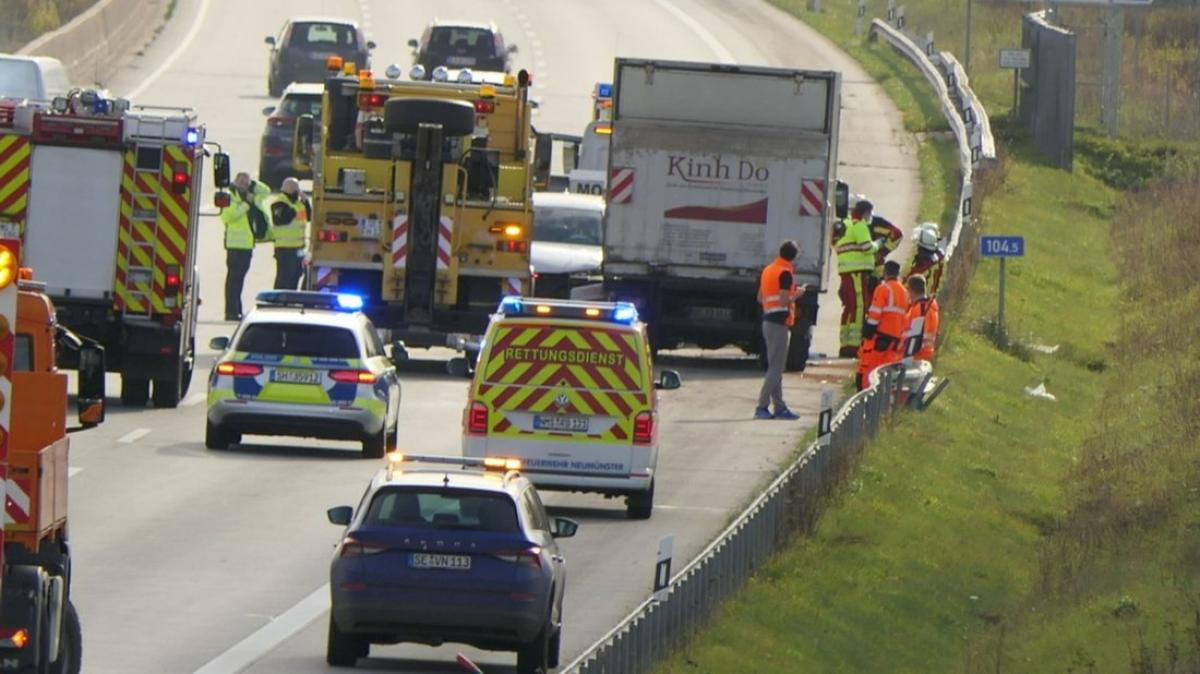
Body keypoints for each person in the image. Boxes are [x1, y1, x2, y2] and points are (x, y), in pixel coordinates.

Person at [754, 240, 806, 420]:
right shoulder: (785, 272)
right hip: (778, 323)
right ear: (794, 256)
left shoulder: (769, 269)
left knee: (775, 366)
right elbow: (784, 300)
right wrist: (797, 294)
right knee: (776, 369)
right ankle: (762, 406)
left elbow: (761, 298)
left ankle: (779, 407)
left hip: (767, 320)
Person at [220, 172, 270, 320]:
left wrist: (252, 184)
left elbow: (266, 190)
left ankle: (237, 309)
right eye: (241, 182)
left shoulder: (251, 194)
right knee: (233, 280)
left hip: (247, 245)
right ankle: (230, 312)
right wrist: (246, 204)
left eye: (246, 183)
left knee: (239, 280)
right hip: (235, 246)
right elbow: (228, 216)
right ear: (235, 182)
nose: (244, 185)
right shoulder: (229, 195)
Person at [834, 200, 880, 358]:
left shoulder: (847, 224)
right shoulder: (860, 226)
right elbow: (867, 247)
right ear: (865, 213)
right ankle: (854, 346)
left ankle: (845, 344)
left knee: (849, 307)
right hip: (857, 272)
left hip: (847, 270)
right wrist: (878, 245)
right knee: (860, 306)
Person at [857, 260, 909, 390]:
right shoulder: (904, 292)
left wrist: (867, 331)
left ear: (885, 273)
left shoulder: (883, 289)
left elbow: (875, 315)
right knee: (884, 375)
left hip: (879, 340)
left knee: (866, 374)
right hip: (894, 341)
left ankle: (866, 402)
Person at [268, 177, 311, 290]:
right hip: (285, 248)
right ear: (288, 189)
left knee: (296, 275)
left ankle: (291, 300)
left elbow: (309, 217)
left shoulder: (297, 203)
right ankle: (279, 302)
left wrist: (306, 201)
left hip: (298, 248)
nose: (297, 191)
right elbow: (281, 219)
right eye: (295, 188)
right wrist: (295, 208)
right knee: (284, 278)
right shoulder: (279, 203)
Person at [903, 274, 940, 362]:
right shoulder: (931, 307)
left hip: (914, 356)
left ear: (911, 290)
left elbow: (914, 337)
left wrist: (906, 359)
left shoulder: (919, 309)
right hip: (925, 354)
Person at [906, 222, 947, 297]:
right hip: (930, 300)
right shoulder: (938, 257)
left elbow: (909, 282)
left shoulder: (923, 263)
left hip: (922, 301)